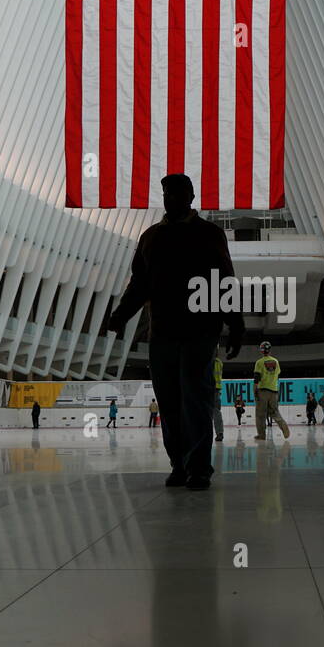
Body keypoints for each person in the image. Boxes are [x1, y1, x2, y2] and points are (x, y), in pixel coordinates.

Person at [104, 173, 244, 489]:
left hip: (200, 330)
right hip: (163, 331)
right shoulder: (150, 238)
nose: (171, 198)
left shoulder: (209, 234)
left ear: (191, 197)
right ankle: (179, 464)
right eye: (167, 193)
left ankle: (198, 467)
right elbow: (139, 285)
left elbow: (225, 280)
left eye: (178, 193)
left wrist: (235, 325)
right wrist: (120, 316)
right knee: (169, 400)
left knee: (195, 397)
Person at [252, 341, 290, 440]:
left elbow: (256, 378)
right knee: (274, 412)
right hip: (274, 391)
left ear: (261, 350)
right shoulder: (276, 361)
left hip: (263, 391)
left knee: (260, 414)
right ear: (270, 350)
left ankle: (261, 435)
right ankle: (283, 425)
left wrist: (255, 390)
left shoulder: (259, 362)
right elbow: (277, 375)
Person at [211, 349, 225, 441]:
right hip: (217, 389)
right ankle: (220, 433)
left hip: (209, 389)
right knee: (217, 412)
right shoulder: (219, 362)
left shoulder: (209, 362)